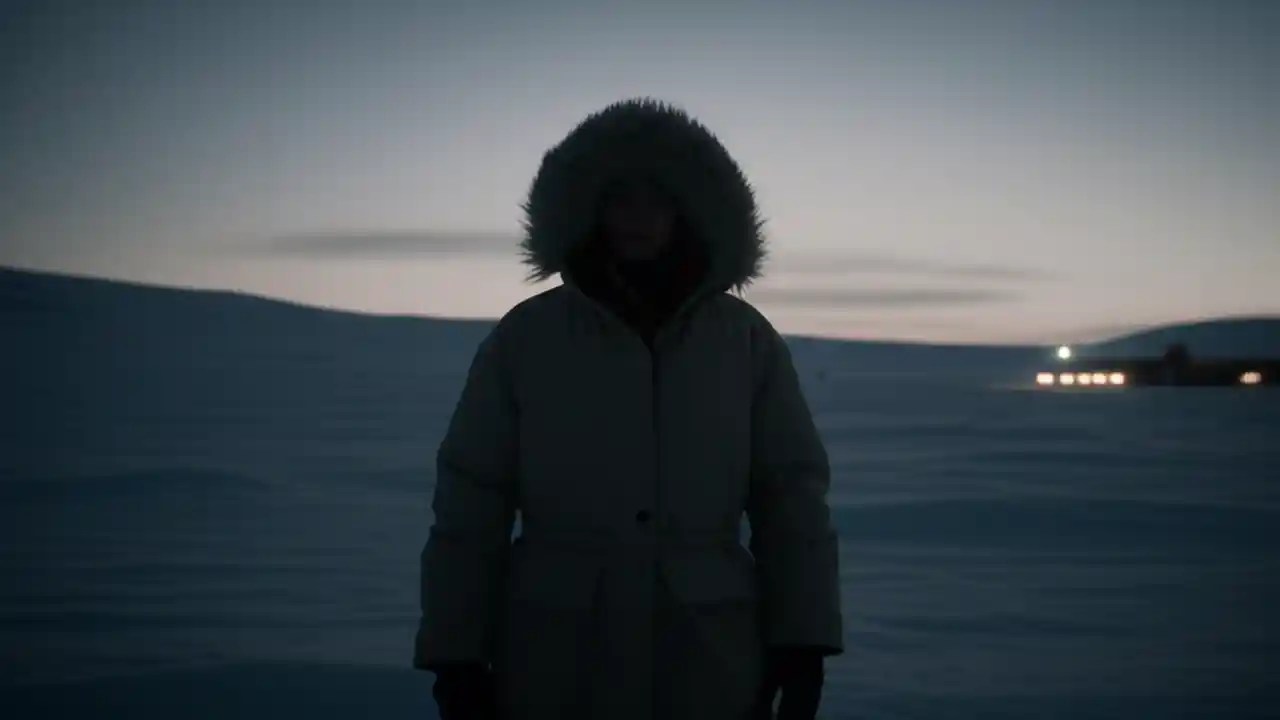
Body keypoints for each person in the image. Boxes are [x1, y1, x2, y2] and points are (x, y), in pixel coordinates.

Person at [413, 97, 844, 720]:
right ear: (590, 207)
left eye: (658, 200)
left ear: (689, 211)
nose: (638, 218)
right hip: (555, 666)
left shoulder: (744, 341)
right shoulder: (526, 339)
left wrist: (803, 642)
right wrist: (455, 655)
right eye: (621, 198)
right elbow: (470, 501)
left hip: (710, 665)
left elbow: (791, 497)